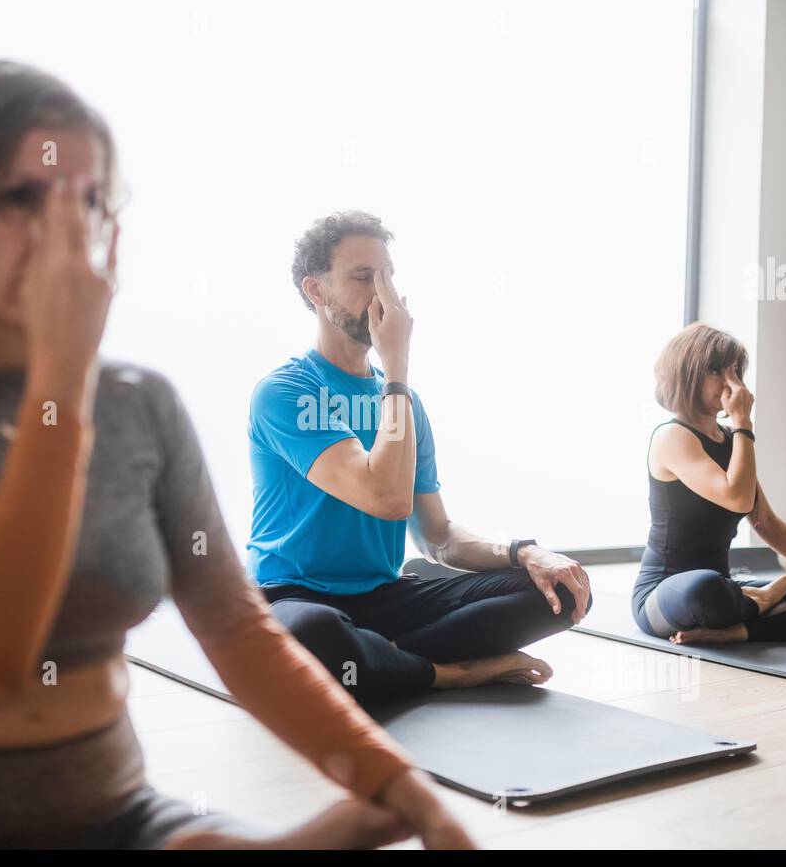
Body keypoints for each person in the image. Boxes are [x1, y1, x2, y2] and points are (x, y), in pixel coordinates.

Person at [0, 61, 472, 849]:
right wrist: (63, 377)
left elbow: (239, 631)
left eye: (86, 202)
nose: (65, 232)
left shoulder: (141, 404)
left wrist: (395, 781)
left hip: (118, 815)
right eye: (23, 197)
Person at [246, 211, 592, 700]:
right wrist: (397, 367)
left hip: (383, 597)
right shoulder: (287, 392)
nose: (384, 294)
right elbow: (385, 498)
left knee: (556, 593)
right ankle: (452, 671)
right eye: (364, 277)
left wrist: (525, 552)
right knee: (315, 634)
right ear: (315, 291)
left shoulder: (404, 402)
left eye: (388, 277)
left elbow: (438, 537)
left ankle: (380, 659)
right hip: (294, 597)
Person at [632, 323, 786, 644]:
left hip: (729, 588)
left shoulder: (732, 440)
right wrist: (743, 423)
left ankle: (738, 630)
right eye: (717, 371)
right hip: (670, 593)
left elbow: (765, 521)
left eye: (736, 372)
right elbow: (737, 499)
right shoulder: (672, 436)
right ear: (687, 372)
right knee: (707, 590)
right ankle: (762, 600)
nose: (732, 383)